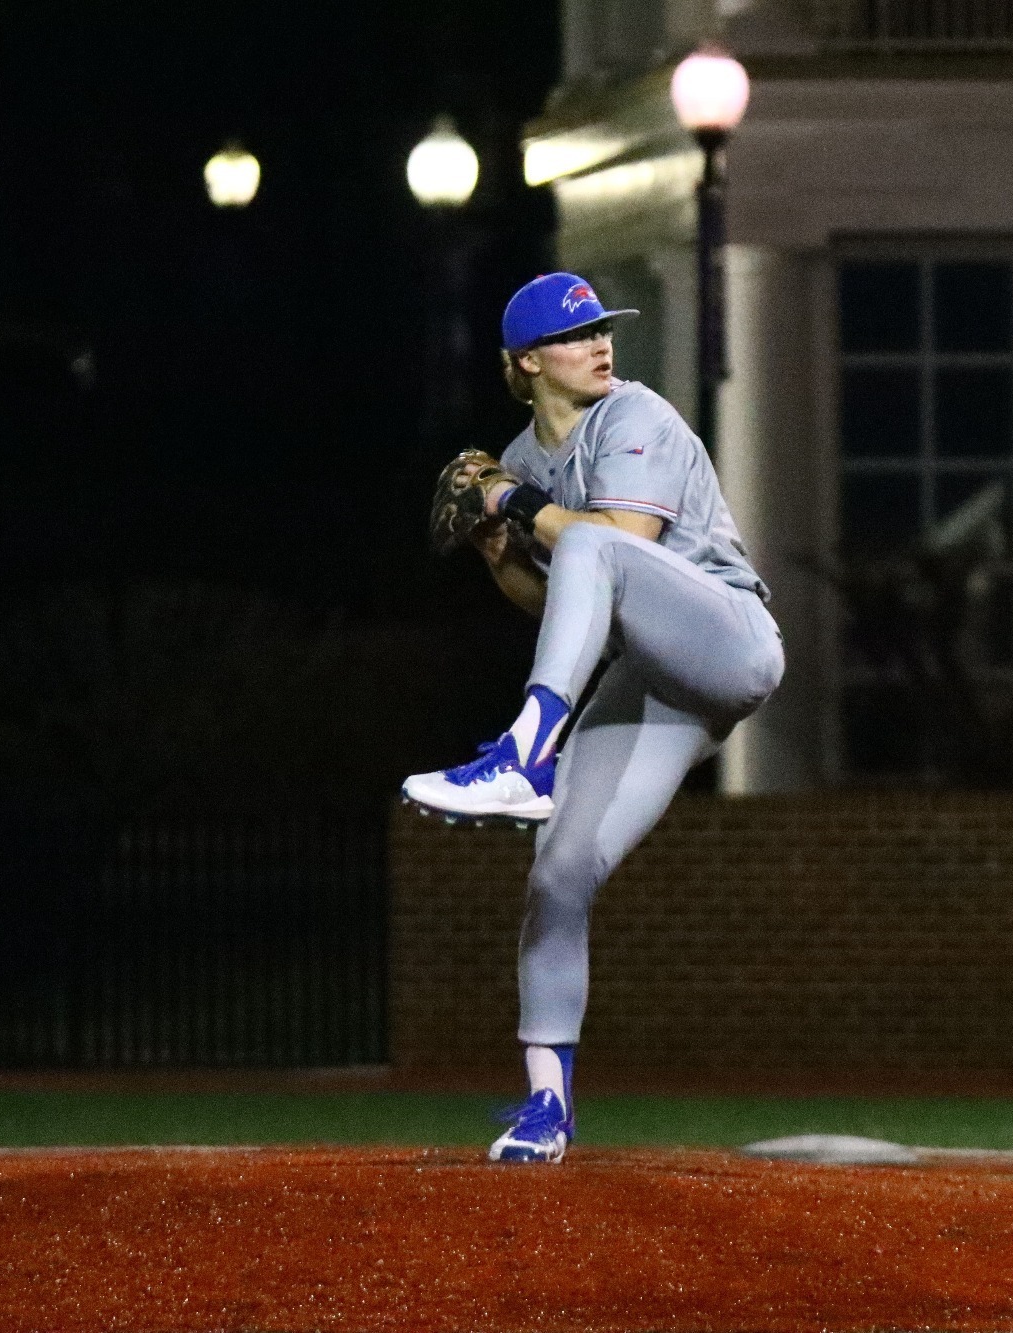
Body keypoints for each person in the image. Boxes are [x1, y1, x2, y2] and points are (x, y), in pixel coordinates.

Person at [401, 272, 784, 1163]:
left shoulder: (636, 414)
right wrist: (496, 546)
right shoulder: (522, 458)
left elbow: (615, 545)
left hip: (730, 639)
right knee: (559, 867)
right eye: (577, 337)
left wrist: (510, 504)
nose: (600, 344)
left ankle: (523, 755)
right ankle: (545, 1105)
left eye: (603, 329)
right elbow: (560, 599)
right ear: (527, 362)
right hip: (652, 675)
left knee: (600, 543)